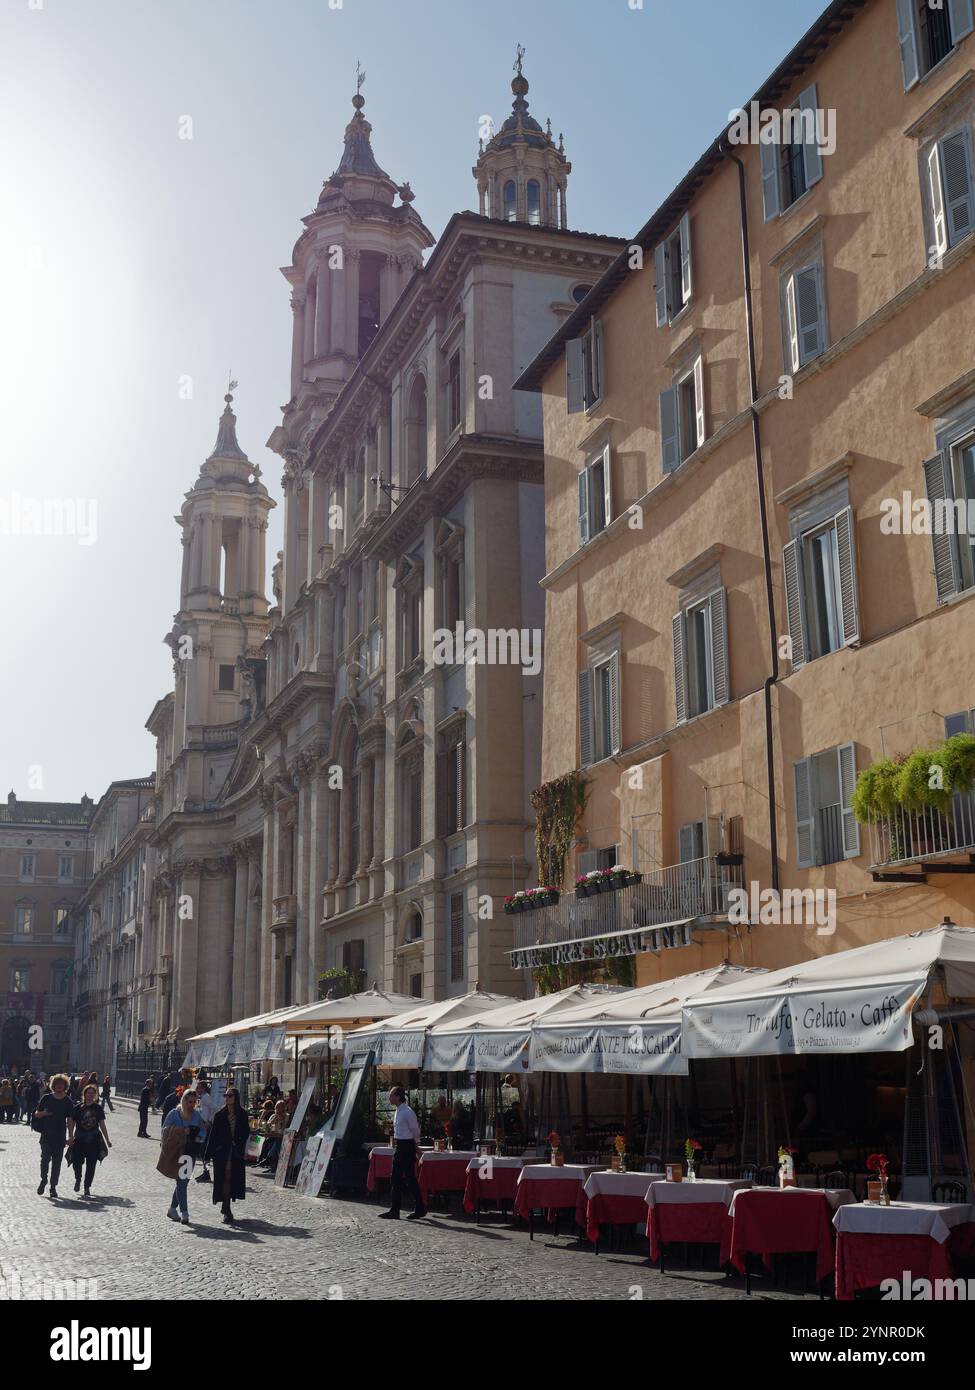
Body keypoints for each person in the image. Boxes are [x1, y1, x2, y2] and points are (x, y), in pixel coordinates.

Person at [158, 1087, 206, 1225]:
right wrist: (181, 1131)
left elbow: (203, 1130)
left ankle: (172, 1209)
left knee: (182, 1182)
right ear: (184, 1100)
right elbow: (165, 1130)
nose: (192, 1105)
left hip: (190, 1151)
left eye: (194, 1102)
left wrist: (199, 1138)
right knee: (181, 1182)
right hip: (177, 1151)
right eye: (189, 1102)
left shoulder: (196, 1115)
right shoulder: (174, 1113)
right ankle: (184, 1212)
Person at [380, 1086, 426, 1221]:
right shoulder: (398, 1111)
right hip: (400, 1145)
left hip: (407, 1146)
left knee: (410, 1179)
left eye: (391, 1095)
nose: (389, 1098)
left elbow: (415, 1130)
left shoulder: (407, 1112)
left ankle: (419, 1207)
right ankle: (395, 1209)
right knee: (396, 1178)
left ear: (398, 1096)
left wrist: (415, 1145)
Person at [204, 1086, 248, 1224]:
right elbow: (213, 1135)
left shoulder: (242, 1114)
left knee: (232, 1179)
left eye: (230, 1095)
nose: (227, 1098)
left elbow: (246, 1132)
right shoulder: (219, 1115)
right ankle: (227, 1209)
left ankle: (226, 1205)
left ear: (236, 1098)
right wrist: (208, 1154)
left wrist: (241, 1143)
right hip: (222, 1152)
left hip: (236, 1152)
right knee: (224, 1178)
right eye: (225, 1095)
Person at [35, 1074, 75, 1199]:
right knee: (45, 1159)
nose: (59, 1086)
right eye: (57, 1084)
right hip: (46, 1135)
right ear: (53, 1085)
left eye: (61, 1084)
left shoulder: (68, 1101)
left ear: (65, 1086)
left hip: (60, 1136)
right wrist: (44, 1113)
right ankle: (44, 1179)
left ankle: (53, 1187)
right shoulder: (46, 1098)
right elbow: (36, 1114)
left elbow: (70, 1120)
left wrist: (71, 1136)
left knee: (57, 1164)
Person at [70, 1083, 111, 1199]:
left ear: (95, 1095)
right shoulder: (77, 1108)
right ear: (84, 1094)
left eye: (93, 1093)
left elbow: (102, 1125)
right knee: (76, 1161)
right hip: (79, 1139)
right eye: (89, 1093)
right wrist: (70, 1136)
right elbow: (72, 1123)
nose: (90, 1095)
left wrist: (107, 1139)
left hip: (93, 1139)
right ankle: (78, 1178)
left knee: (91, 1164)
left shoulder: (98, 1108)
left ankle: (87, 1186)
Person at [194, 1081, 217, 1183]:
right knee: (202, 1150)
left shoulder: (206, 1097)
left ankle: (207, 1173)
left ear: (203, 1088)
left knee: (204, 1150)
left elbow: (214, 1108)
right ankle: (205, 1172)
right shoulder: (202, 1098)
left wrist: (210, 1120)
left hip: (205, 1124)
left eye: (198, 1087)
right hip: (202, 1124)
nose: (197, 1089)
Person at [260, 1100, 289, 1170]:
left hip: (283, 1137)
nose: (278, 1110)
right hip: (273, 1136)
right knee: (274, 1143)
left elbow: (285, 1128)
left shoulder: (287, 1116)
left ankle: (269, 1158)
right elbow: (265, 1127)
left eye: (280, 1108)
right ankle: (271, 1162)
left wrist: (282, 1120)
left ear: (284, 1108)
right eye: (277, 1108)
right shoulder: (273, 1116)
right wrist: (271, 1122)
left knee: (277, 1143)